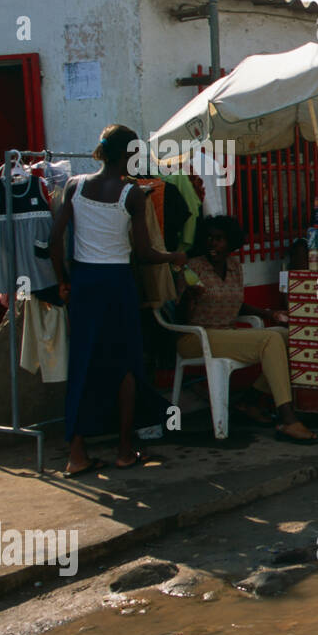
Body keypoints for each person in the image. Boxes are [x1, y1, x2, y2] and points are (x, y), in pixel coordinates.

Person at [48, 124, 187, 476]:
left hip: (84, 281)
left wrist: (63, 281)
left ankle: (76, 454)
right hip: (117, 283)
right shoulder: (132, 195)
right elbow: (143, 253)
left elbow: (54, 240)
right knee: (125, 366)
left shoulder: (74, 185)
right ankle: (125, 450)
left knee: (82, 363)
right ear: (129, 155)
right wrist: (173, 257)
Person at [179, 215, 318, 444]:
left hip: (226, 333)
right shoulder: (193, 268)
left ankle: (248, 401)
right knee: (270, 340)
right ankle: (287, 419)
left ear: (231, 242)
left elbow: (236, 302)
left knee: (293, 336)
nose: (213, 244)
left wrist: (269, 314)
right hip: (196, 336)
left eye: (220, 239)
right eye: (210, 238)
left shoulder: (234, 267)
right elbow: (181, 317)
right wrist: (189, 298)